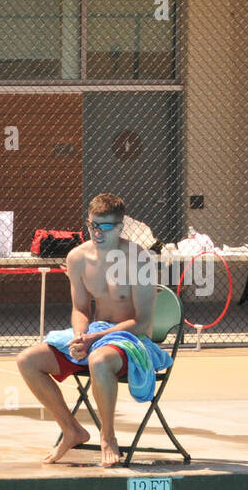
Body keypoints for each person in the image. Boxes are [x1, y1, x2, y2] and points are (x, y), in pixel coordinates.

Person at [16, 192, 167, 467]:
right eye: (93, 225)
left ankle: (107, 436)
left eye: (105, 226)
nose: (97, 232)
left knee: (98, 360)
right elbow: (80, 309)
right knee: (27, 360)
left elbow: (143, 322)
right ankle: (72, 429)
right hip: (95, 335)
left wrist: (96, 338)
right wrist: (79, 336)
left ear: (120, 227)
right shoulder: (77, 258)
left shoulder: (139, 259)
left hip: (130, 340)